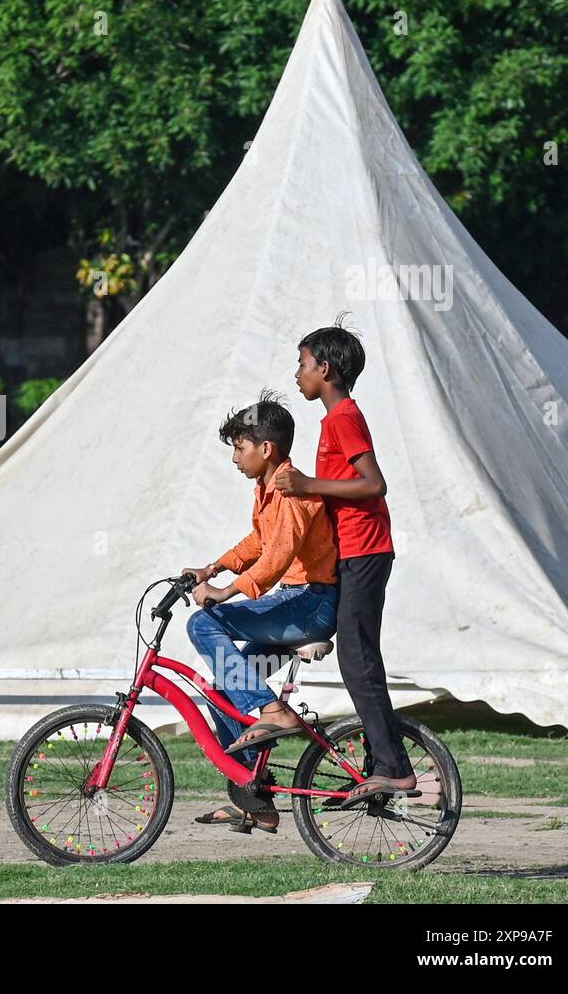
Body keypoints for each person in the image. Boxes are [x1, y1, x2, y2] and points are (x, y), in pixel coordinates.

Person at [181, 390, 339, 833]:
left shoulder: (291, 491)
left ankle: (272, 714)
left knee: (202, 623)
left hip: (309, 603)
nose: (234, 458)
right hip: (291, 605)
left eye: (239, 447)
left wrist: (225, 591)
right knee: (227, 689)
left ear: (265, 449)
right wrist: (211, 568)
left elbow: (276, 561)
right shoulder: (265, 491)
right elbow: (257, 543)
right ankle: (253, 794)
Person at [275, 316, 415, 806]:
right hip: (353, 551)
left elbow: (373, 484)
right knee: (357, 657)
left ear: (326, 369)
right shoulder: (335, 419)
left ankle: (394, 768)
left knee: (357, 659)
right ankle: (381, 762)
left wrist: (310, 484)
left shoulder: (344, 418)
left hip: (367, 548)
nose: (297, 373)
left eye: (303, 364)